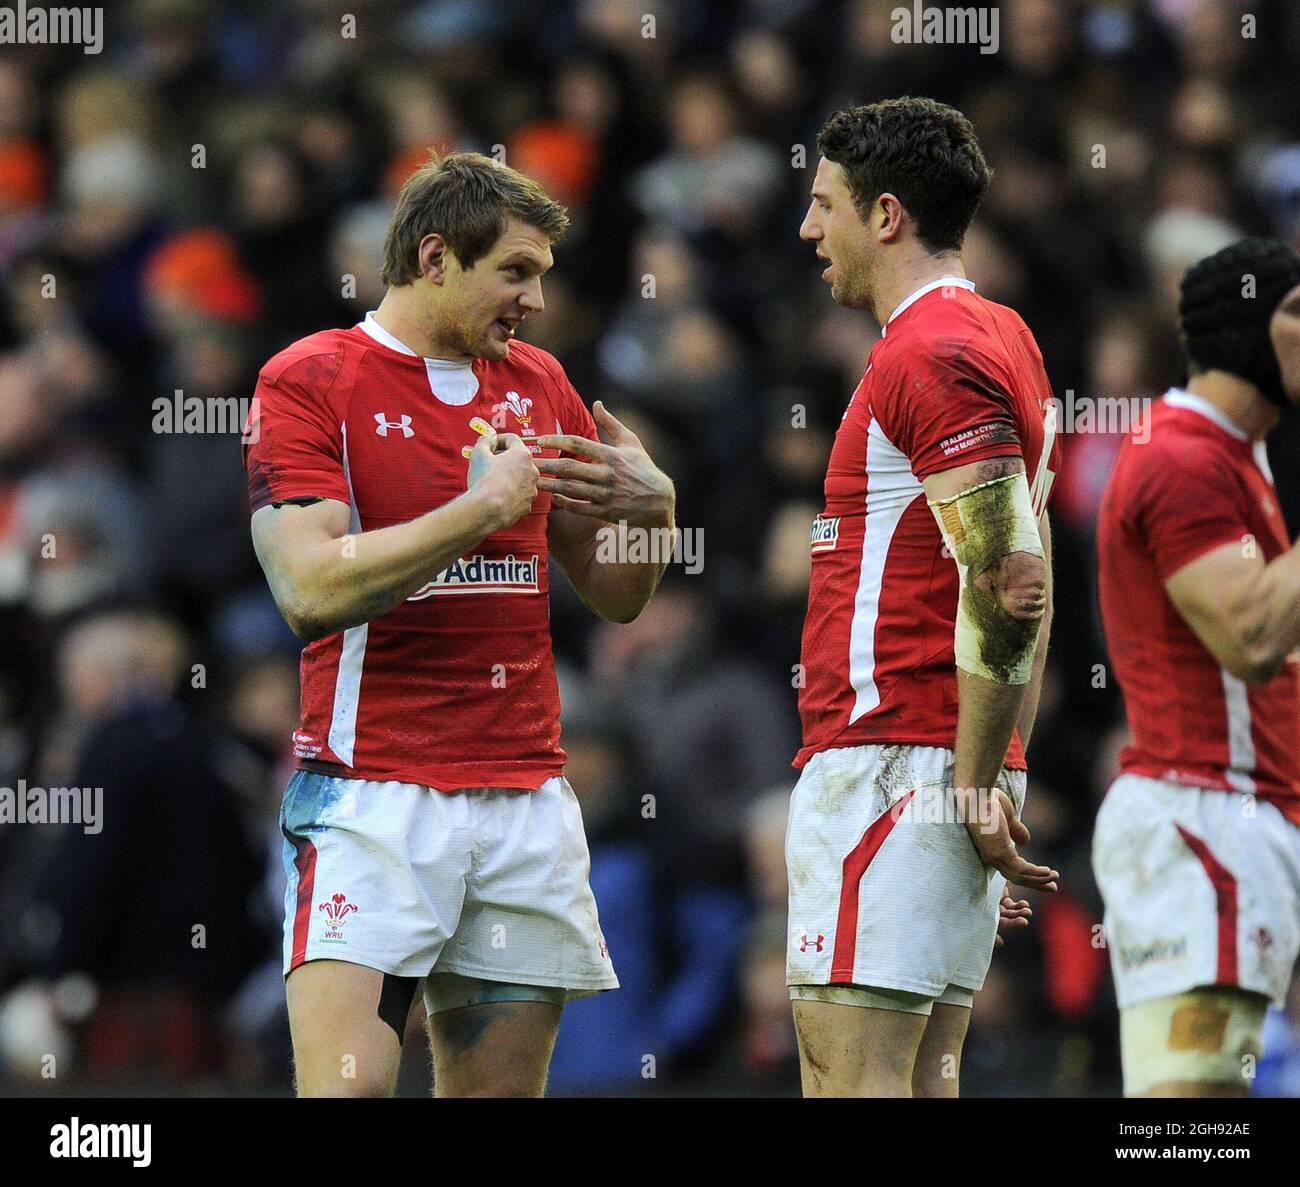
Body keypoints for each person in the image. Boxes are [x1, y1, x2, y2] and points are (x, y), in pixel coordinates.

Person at [241, 151, 675, 1097]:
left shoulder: (540, 384)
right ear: (435, 256)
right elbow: (310, 589)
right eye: (515, 273)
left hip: (521, 796)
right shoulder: (310, 379)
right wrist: (477, 512)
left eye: (542, 278)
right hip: (371, 794)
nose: (535, 300)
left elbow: (616, 593)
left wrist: (655, 513)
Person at [786, 97, 1061, 1097]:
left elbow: (1007, 578)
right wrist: (994, 767)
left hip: (891, 761)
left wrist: (975, 777)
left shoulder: (927, 352)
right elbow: (1036, 573)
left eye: (824, 205)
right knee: (920, 1077)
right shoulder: (1006, 336)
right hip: (940, 758)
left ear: (887, 213)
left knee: (851, 1079)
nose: (808, 229)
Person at [1093, 237, 1300, 1098]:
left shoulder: (1237, 459)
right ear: (1251, 331)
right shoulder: (1182, 460)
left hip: (1259, 814)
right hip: (1201, 824)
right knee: (1192, 1121)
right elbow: (1251, 638)